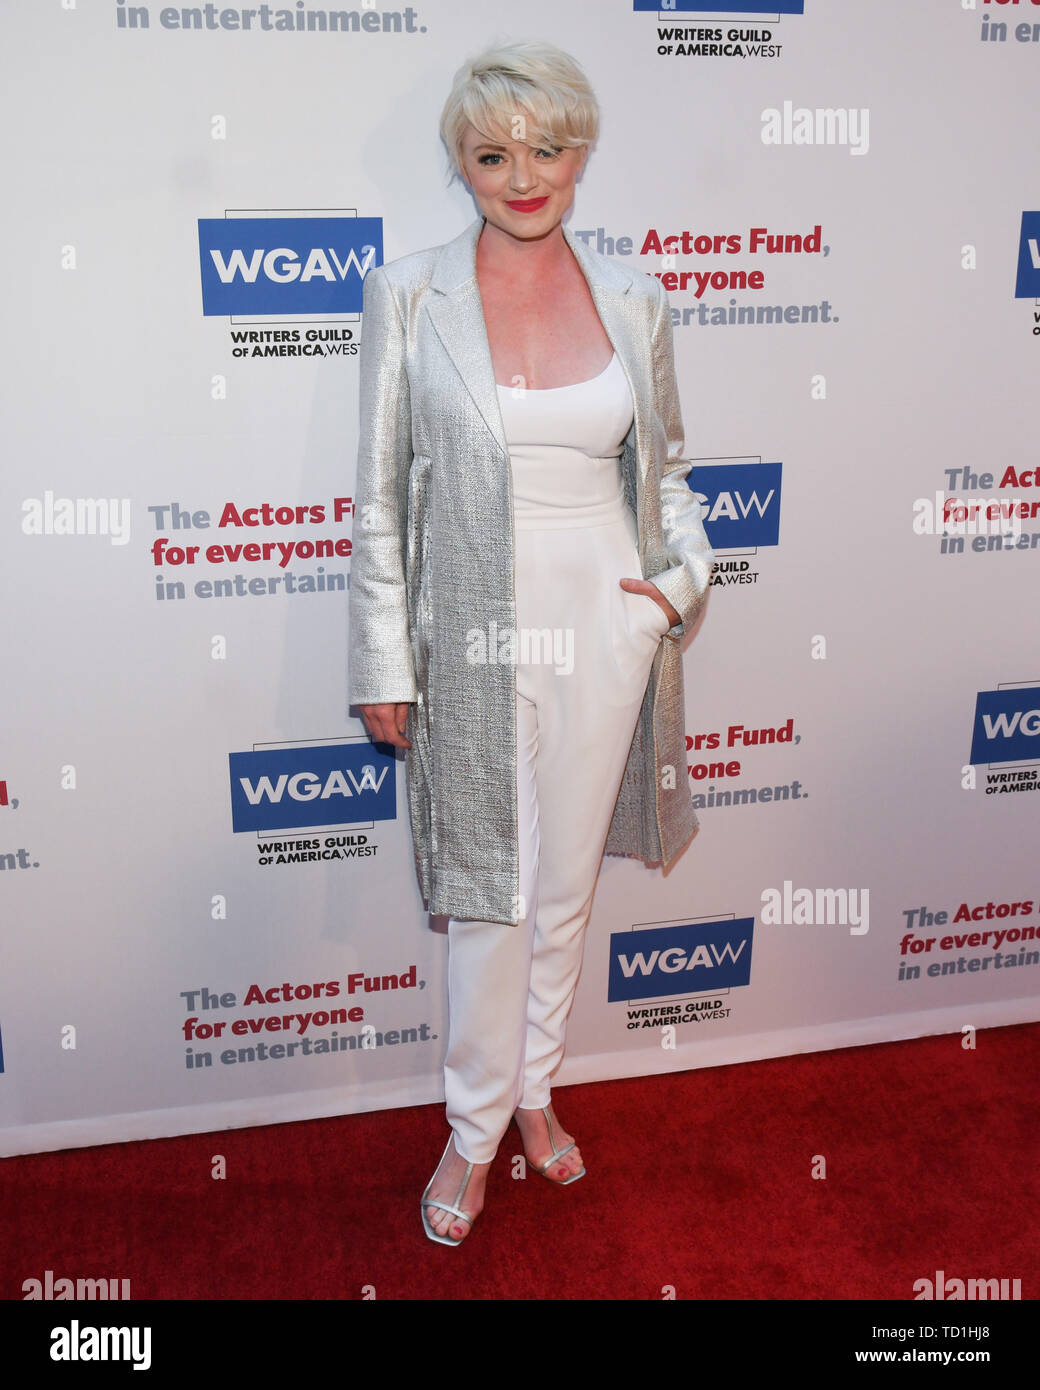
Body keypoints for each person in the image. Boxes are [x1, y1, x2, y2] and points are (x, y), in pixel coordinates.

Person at [347, 40, 714, 1245]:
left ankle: (538, 1093)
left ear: (578, 153)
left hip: (602, 618)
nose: (522, 175)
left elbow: (668, 478)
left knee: (561, 890)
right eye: (493, 151)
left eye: (545, 149)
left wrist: (670, 591)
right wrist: (383, 663)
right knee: (488, 894)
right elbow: (379, 499)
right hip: (470, 628)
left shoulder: (633, 296)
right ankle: (470, 1128)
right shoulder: (407, 293)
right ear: (461, 162)